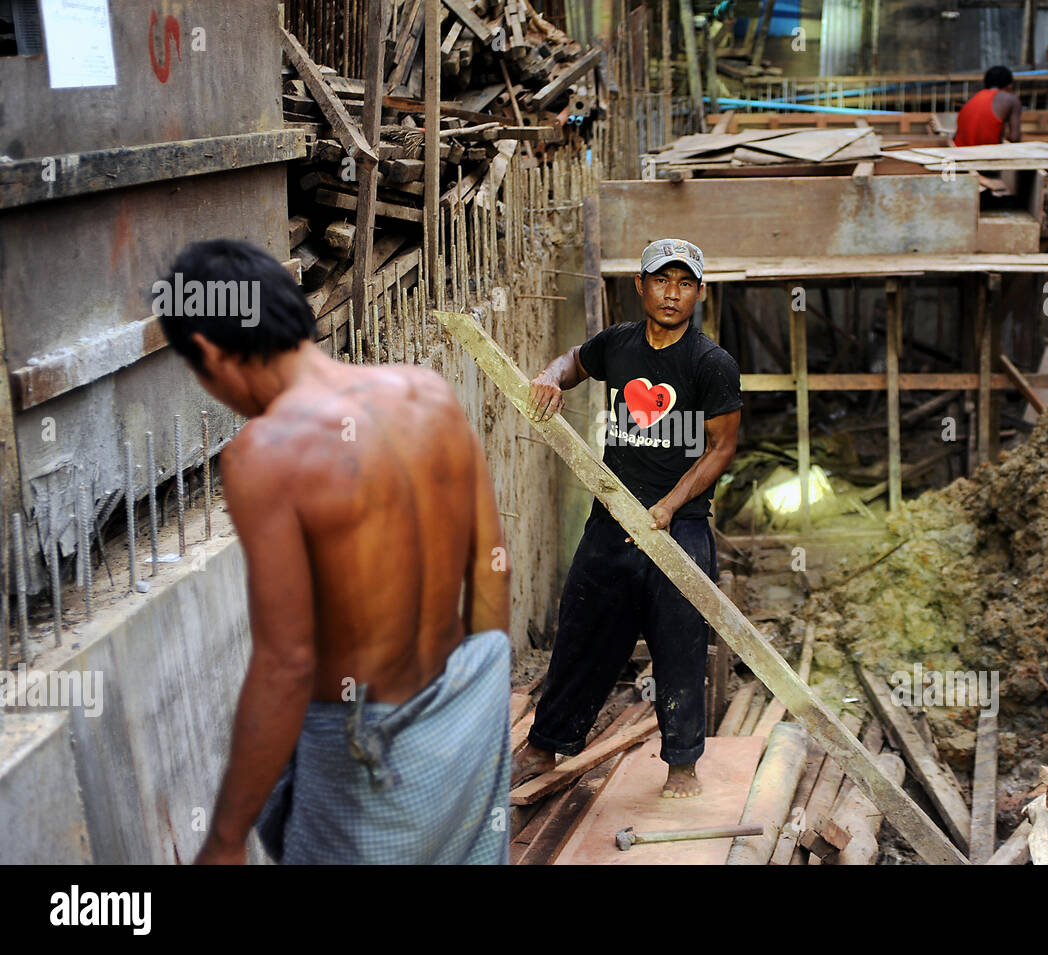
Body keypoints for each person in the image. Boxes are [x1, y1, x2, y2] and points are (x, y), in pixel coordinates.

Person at [159, 239, 512, 864]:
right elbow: (490, 570)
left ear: (210, 352)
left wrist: (224, 837)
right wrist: (478, 710)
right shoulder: (428, 393)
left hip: (361, 751)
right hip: (463, 712)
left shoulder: (265, 453)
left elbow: (287, 664)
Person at [513, 238, 742, 798]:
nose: (672, 293)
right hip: (613, 517)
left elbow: (721, 449)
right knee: (583, 632)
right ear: (639, 287)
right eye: (661, 280)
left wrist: (669, 505)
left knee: (680, 645)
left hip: (679, 529)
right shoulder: (617, 344)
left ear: (700, 293)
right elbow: (574, 360)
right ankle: (546, 745)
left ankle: (682, 766)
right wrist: (548, 375)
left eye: (685, 283)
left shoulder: (711, 363)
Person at [954, 65, 1022, 146]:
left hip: (960, 151)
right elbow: (1014, 138)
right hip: (985, 153)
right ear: (1009, 85)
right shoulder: (1011, 99)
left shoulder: (975, 97)